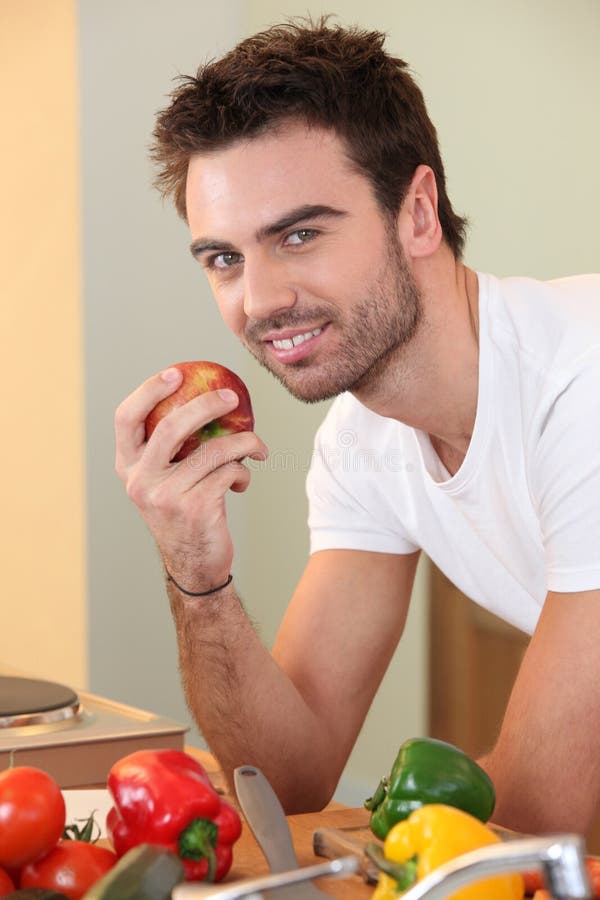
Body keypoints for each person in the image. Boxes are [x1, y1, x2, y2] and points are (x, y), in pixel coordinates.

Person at [114, 18, 600, 837]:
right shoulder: (361, 439)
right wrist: (194, 572)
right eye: (224, 259)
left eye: (299, 235)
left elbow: (540, 816)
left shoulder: (580, 381)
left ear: (417, 213)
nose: (259, 301)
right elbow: (289, 777)